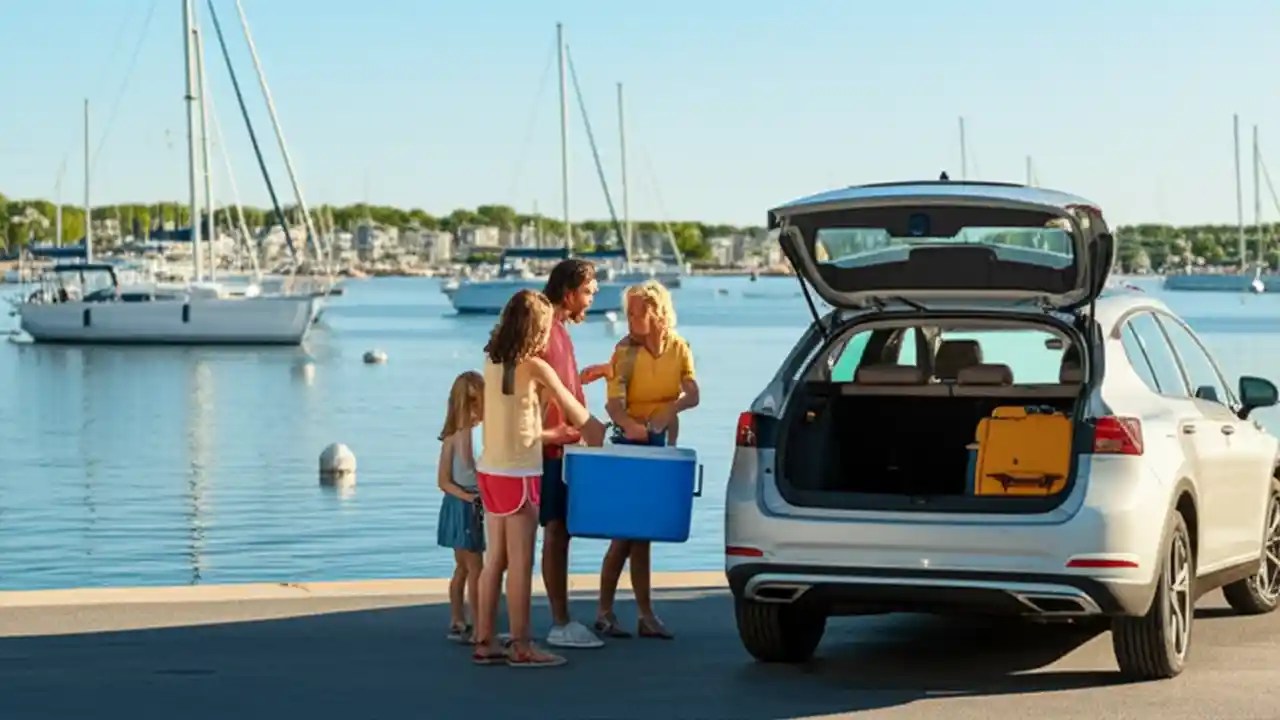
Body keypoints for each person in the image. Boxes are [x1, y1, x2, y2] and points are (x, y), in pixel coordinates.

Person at [471, 289, 606, 668]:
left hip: (491, 470)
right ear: (536, 328)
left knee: (493, 560)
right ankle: (522, 645)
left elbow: (514, 424)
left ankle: (484, 640)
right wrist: (599, 436)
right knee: (521, 563)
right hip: (519, 475)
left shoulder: (492, 361)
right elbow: (575, 410)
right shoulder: (535, 366)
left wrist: (551, 435)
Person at [594, 280, 700, 640]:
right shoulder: (624, 352)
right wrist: (630, 426)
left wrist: (672, 408)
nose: (630, 319)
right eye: (628, 312)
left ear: (656, 313)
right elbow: (612, 403)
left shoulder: (679, 347)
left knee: (645, 535)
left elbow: (693, 393)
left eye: (637, 312)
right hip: (629, 442)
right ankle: (606, 612)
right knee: (625, 534)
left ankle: (644, 614)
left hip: (662, 444)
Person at [538, 259, 613, 650]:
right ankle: (558, 620)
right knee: (554, 531)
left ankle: (558, 617)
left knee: (560, 531)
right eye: (588, 292)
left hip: (565, 446)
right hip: (547, 448)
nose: (591, 300)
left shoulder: (561, 331)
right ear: (569, 293)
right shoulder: (546, 330)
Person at [435, 370, 486, 644]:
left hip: (477, 502)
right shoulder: (454, 438)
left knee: (468, 567)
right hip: (462, 504)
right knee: (470, 566)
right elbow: (443, 481)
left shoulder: (480, 435)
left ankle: (461, 618)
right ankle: (473, 622)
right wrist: (467, 498)